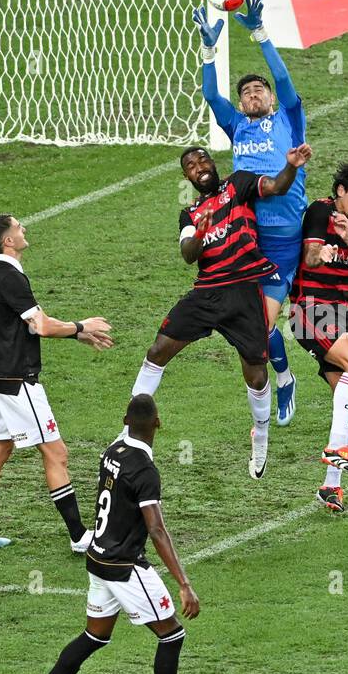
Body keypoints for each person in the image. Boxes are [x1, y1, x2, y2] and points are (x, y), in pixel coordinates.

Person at [20, 394, 203, 674]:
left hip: (97, 556)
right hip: (124, 565)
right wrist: (183, 582)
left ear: (125, 420)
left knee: (94, 636)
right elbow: (157, 529)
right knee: (172, 634)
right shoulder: (146, 471)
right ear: (158, 424)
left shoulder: (112, 451)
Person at [125, 143, 311, 480]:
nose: (199, 166)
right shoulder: (190, 214)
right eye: (191, 166)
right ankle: (129, 427)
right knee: (157, 350)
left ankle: (261, 436)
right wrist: (200, 231)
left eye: (202, 159)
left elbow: (276, 186)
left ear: (213, 163)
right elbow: (188, 253)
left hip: (244, 292)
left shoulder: (238, 184)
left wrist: (292, 167)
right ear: (188, 177)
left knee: (256, 373)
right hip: (207, 292)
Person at [194, 0, 307, 425]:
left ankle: (283, 378)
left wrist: (259, 33)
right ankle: (282, 374)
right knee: (247, 326)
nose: (255, 94)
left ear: (271, 99)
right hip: (245, 239)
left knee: (259, 326)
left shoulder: (288, 118)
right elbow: (209, 95)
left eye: (260, 89)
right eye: (248, 92)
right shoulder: (237, 125)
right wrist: (208, 50)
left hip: (282, 241)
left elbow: (285, 81)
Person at [0, 215, 113, 552]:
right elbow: (42, 326)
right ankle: (80, 537)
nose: (23, 230)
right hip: (17, 381)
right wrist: (79, 326)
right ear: (7, 241)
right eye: (18, 227)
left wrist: (78, 334)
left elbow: (34, 323)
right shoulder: (10, 276)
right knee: (56, 453)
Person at [293, 163, 348, 513]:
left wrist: (347, 239)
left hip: (340, 315)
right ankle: (336, 452)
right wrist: (323, 253)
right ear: (340, 191)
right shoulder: (319, 210)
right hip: (311, 309)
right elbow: (310, 256)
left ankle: (330, 488)